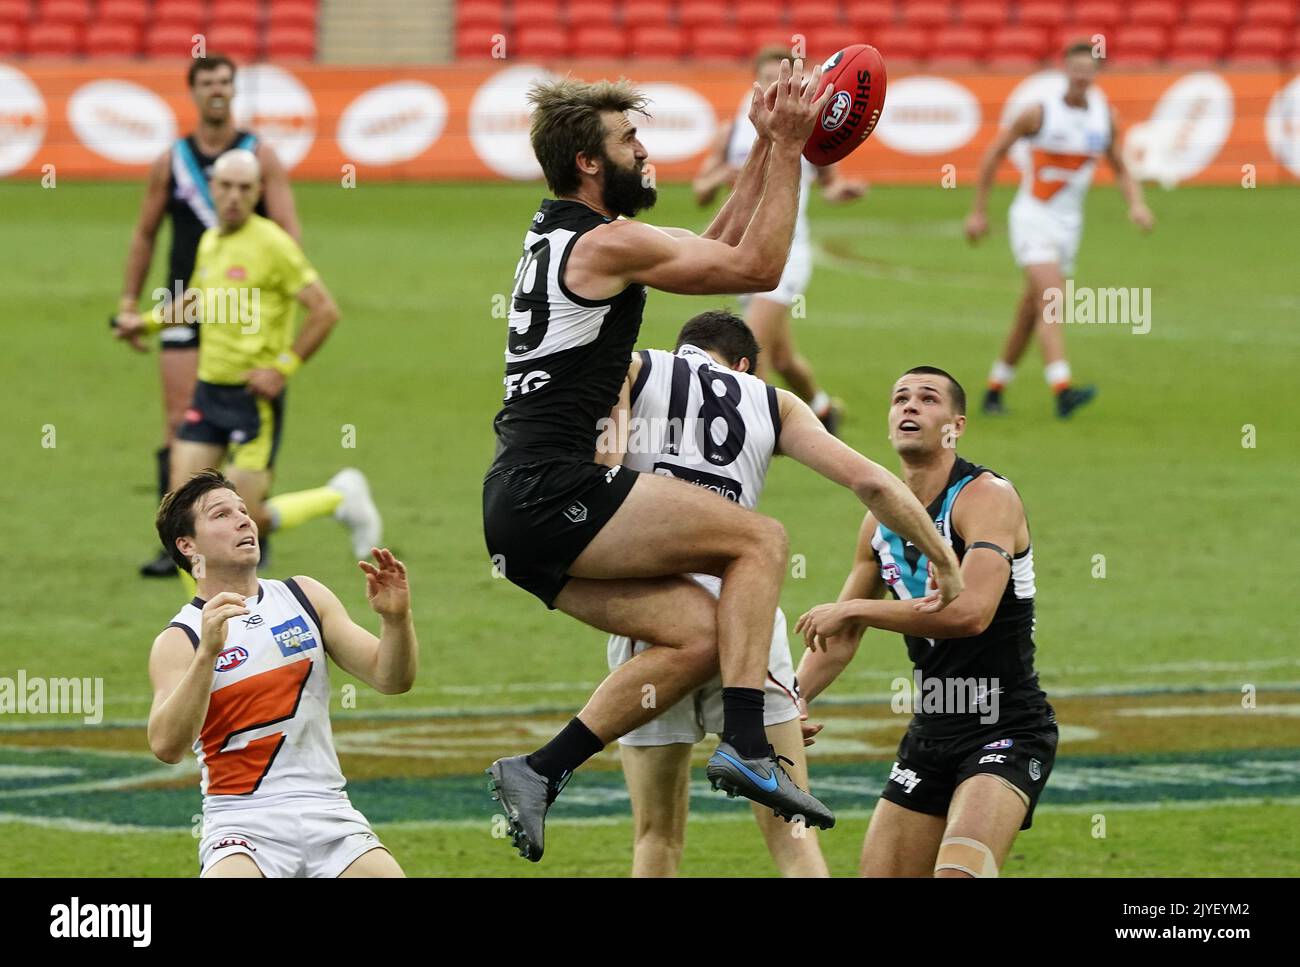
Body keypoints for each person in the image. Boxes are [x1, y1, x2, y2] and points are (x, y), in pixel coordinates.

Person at [483, 62, 963, 862]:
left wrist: (769, 154)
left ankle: (539, 768)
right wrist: (787, 147)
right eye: (629, 139)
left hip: (521, 507)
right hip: (551, 488)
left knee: (704, 635)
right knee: (760, 539)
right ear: (591, 163)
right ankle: (746, 741)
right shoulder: (607, 240)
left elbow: (712, 247)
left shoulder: (574, 233)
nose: (645, 151)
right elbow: (756, 269)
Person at [603, 310, 960, 878]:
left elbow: (595, 475)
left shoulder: (636, 369)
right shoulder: (770, 401)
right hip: (742, 619)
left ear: (684, 349)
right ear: (746, 364)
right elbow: (870, 482)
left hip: (652, 619)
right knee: (792, 836)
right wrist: (943, 559)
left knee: (656, 838)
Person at [794, 367, 1057, 878]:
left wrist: (855, 608)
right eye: (900, 398)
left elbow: (972, 613)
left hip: (1005, 726)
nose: (909, 406)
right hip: (931, 732)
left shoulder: (985, 497)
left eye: (927, 399)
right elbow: (840, 637)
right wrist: (792, 699)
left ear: (955, 426)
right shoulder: (879, 520)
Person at [119, 149, 380, 573]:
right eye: (226, 186)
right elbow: (198, 300)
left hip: (252, 398)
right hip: (208, 390)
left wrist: (282, 368)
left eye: (245, 188)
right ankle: (202, 628)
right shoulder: (211, 240)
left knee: (244, 521)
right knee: (185, 515)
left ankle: (339, 499)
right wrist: (145, 324)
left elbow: (325, 311)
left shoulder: (273, 245)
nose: (234, 196)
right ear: (212, 189)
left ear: (259, 191)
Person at [147, 470, 417, 877]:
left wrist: (396, 621)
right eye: (221, 515)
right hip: (241, 823)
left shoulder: (304, 596)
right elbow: (167, 746)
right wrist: (207, 655)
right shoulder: (181, 638)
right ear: (188, 546)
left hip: (328, 812)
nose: (244, 520)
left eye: (242, 510)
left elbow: (390, 678)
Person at [113, 54, 301, 576]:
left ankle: (248, 525)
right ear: (193, 92)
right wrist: (132, 304)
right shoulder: (171, 159)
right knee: (182, 424)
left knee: (245, 420)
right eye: (207, 83)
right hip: (185, 295)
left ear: (234, 90)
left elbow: (288, 231)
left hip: (240, 308)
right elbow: (145, 233)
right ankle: (178, 542)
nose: (217, 90)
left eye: (225, 82)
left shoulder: (258, 155)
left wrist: (276, 299)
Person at [964, 41, 1155, 419]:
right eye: (1076, 68)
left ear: (1096, 73)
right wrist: (979, 211)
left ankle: (994, 390)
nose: (1082, 75)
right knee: (1052, 298)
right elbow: (994, 153)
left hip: (1070, 226)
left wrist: (1136, 204)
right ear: (1065, 70)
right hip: (1033, 219)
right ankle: (1063, 388)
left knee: (1029, 311)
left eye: (1089, 69)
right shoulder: (1039, 113)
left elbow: (1119, 165)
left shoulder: (1104, 116)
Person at [694, 46, 867, 435]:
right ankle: (823, 409)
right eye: (770, 77)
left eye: (785, 77)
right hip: (740, 251)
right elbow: (700, 191)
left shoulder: (810, 128)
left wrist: (845, 192)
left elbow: (829, 185)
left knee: (749, 346)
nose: (779, 84)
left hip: (787, 252)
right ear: (756, 80)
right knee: (786, 358)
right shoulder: (734, 129)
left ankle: (746, 438)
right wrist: (721, 176)